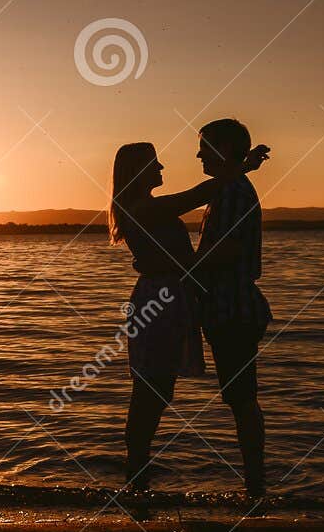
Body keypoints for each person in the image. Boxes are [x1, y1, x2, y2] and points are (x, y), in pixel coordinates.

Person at [108, 139, 268, 490]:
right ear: (138, 171)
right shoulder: (141, 207)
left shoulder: (145, 206)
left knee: (156, 390)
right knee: (151, 390)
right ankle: (136, 476)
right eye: (154, 163)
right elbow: (196, 196)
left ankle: (138, 476)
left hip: (171, 299)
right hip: (159, 302)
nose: (162, 168)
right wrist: (242, 167)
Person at [194, 118, 272, 497]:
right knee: (239, 396)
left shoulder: (233, 193)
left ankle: (254, 485)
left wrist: (183, 269)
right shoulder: (230, 188)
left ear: (221, 150)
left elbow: (224, 249)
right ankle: (254, 481)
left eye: (204, 147)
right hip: (229, 308)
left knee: (241, 398)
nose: (197, 154)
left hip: (233, 309)